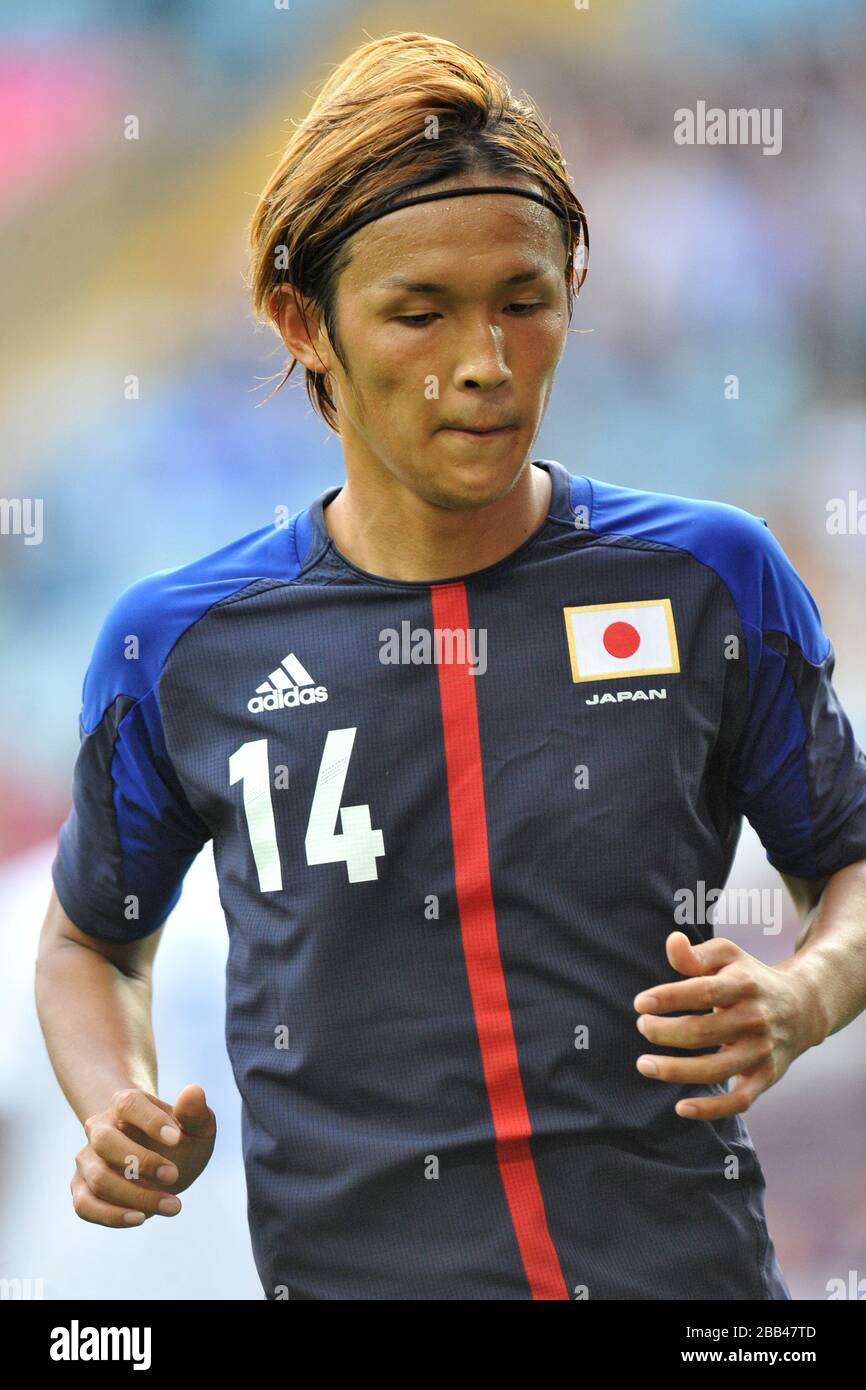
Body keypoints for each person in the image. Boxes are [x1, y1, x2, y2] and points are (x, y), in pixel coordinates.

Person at [36, 31, 866, 1301]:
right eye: (418, 313)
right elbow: (91, 940)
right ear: (298, 318)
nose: (481, 362)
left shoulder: (709, 578)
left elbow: (850, 861)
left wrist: (803, 995)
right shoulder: (183, 643)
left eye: (523, 304)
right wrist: (117, 1106)